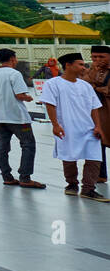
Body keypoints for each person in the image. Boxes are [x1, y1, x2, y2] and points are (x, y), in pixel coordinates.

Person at [43, 53, 108, 202]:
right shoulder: (53, 84)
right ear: (68, 65)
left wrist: (98, 126)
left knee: (94, 157)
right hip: (67, 128)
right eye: (80, 64)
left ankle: (88, 189)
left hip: (88, 128)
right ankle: (72, 184)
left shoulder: (85, 85)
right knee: (69, 157)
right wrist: (55, 125)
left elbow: (94, 107)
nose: (84, 67)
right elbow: (50, 105)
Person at [0, 48, 42, 188]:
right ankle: (25, 177)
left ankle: (7, 176)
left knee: (2, 147)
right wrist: (28, 98)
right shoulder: (14, 74)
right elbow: (20, 95)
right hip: (17, 117)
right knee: (28, 144)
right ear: (12, 59)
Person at [82, 45, 110, 181]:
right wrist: (94, 72)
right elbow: (84, 84)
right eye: (94, 57)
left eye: (101, 57)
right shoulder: (91, 69)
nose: (97, 60)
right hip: (98, 112)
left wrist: (96, 88)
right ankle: (100, 175)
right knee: (98, 142)